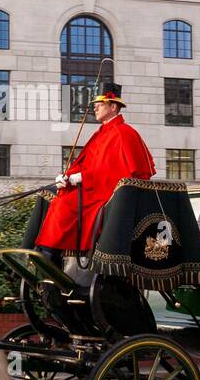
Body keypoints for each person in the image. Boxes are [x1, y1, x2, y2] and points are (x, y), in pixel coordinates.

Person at [34, 83, 155, 257]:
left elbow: (120, 172)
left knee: (63, 204)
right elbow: (85, 163)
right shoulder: (100, 133)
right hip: (91, 186)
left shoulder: (124, 133)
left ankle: (50, 253)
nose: (95, 107)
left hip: (104, 191)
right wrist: (66, 177)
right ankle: (39, 248)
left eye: (100, 104)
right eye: (95, 104)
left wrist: (83, 177)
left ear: (113, 107)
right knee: (47, 194)